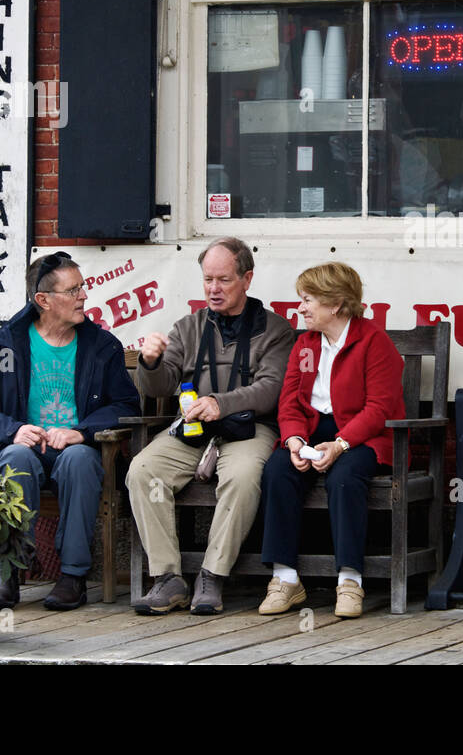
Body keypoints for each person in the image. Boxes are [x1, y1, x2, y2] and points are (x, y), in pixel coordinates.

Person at [0, 251, 140, 611]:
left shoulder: (102, 347)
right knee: (15, 457)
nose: (84, 296)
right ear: (43, 300)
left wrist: (81, 431)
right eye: (73, 290)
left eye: (82, 287)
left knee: (79, 460)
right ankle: (9, 572)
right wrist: (13, 430)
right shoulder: (7, 345)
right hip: (24, 449)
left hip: (76, 451)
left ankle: (72, 577)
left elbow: (126, 406)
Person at [126, 238, 295, 615]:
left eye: (223, 279)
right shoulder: (188, 327)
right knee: (143, 470)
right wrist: (150, 364)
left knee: (243, 476)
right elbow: (161, 385)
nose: (214, 289)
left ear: (247, 279)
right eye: (207, 280)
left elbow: (271, 390)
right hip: (193, 430)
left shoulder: (275, 329)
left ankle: (212, 575)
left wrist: (222, 404)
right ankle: (168, 578)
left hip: (250, 428)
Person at [257, 262, 404, 619]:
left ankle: (350, 580)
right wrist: (293, 439)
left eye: (307, 300)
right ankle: (285, 578)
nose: (300, 308)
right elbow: (289, 400)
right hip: (312, 431)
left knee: (344, 477)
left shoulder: (372, 341)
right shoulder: (305, 344)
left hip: (363, 436)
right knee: (277, 470)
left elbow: (379, 408)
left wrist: (340, 445)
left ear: (335, 304)